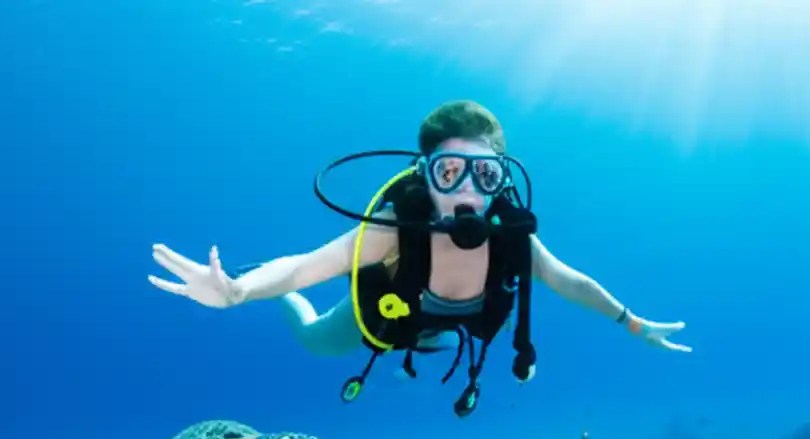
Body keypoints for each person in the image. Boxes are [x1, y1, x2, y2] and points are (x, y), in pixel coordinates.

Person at [147, 100, 690, 417]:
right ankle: (284, 305)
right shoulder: (393, 230)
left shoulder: (508, 233)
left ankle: (430, 344)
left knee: (443, 339)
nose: (467, 195)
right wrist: (239, 293)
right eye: (449, 172)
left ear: (502, 178)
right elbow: (309, 264)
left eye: (485, 175)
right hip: (383, 320)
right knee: (315, 341)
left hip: (448, 329)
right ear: (425, 173)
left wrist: (632, 322)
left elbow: (566, 280)